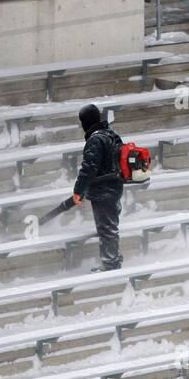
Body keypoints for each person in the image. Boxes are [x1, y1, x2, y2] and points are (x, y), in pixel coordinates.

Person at [73, 104, 125, 272]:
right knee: (109, 226)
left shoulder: (95, 139)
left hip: (104, 191)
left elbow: (89, 168)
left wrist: (78, 191)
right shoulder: (111, 134)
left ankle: (111, 264)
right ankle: (113, 260)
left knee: (106, 228)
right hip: (114, 187)